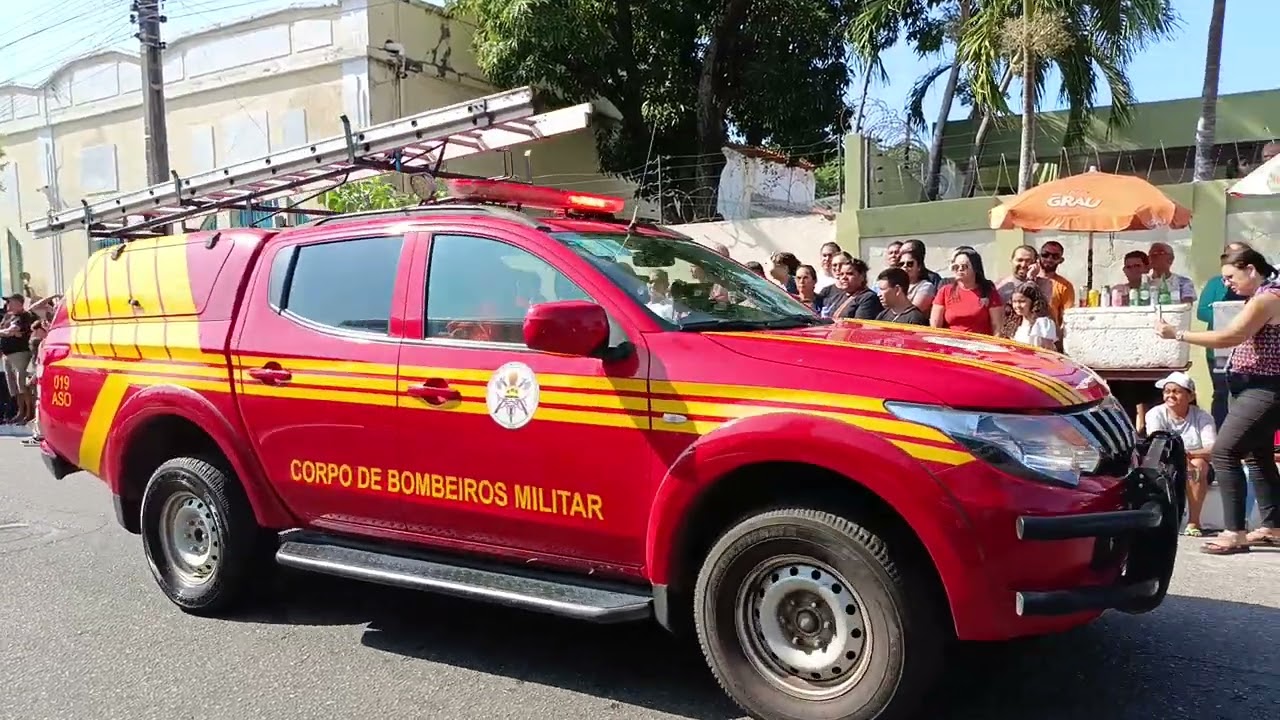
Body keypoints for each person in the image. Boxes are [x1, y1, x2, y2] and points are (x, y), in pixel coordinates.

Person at [1156, 247, 1280, 554]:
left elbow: (1230, 336)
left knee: (1225, 451)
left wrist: (1179, 335)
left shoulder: (1268, 298)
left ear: (1251, 269)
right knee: (1256, 454)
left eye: (1230, 276)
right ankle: (1273, 526)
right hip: (1253, 386)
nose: (1227, 284)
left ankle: (1234, 531)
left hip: (1265, 388)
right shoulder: (1263, 295)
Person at [1143, 372, 1217, 537]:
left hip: (1197, 467)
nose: (1170, 395)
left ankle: (1194, 522)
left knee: (1199, 464)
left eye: (1176, 391)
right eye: (1167, 391)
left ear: (1190, 396)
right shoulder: (1155, 414)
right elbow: (1159, 446)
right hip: (1166, 465)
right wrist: (1182, 459)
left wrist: (1187, 456)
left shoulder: (1202, 417)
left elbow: (1212, 449)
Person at [1197, 240, 1252, 428]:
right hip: (1219, 350)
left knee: (1249, 395)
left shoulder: (1258, 284)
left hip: (1250, 349)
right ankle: (1220, 435)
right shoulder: (1215, 284)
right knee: (1221, 393)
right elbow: (1202, 312)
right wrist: (1226, 313)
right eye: (1230, 255)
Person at [930, 248, 1003, 335]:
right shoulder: (945, 291)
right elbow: (935, 327)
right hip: (951, 344)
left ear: (975, 268)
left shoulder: (989, 292)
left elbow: (997, 328)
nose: (959, 269)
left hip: (979, 344)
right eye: (956, 267)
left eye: (964, 266)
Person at [996, 245, 1052, 337]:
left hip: (1033, 335)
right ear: (1012, 261)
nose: (1023, 265)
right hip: (1007, 337)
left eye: (1028, 261)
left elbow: (1041, 310)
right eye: (1019, 260)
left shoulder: (1045, 284)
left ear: (1036, 263)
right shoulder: (1000, 285)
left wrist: (1031, 279)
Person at [1, 294, 37, 426]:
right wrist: (6, 332)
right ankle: (20, 412)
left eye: (11, 302)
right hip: (8, 355)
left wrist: (7, 332)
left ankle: (28, 413)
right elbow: (8, 331)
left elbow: (14, 330)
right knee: (14, 387)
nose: (8, 305)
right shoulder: (8, 317)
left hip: (20, 353)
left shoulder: (24, 316)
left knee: (22, 384)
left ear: (19, 303)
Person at [1035, 241, 1075, 329]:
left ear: (1061, 260)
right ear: (1039, 256)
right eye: (1045, 254)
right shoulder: (1028, 279)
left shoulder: (1065, 285)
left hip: (1049, 335)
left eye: (1055, 256)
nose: (1049, 259)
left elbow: (1067, 316)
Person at [1008, 281, 1058, 349]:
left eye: (1022, 301)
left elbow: (1048, 351)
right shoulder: (1015, 323)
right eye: (1014, 302)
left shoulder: (1042, 323)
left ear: (1033, 302)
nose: (1017, 306)